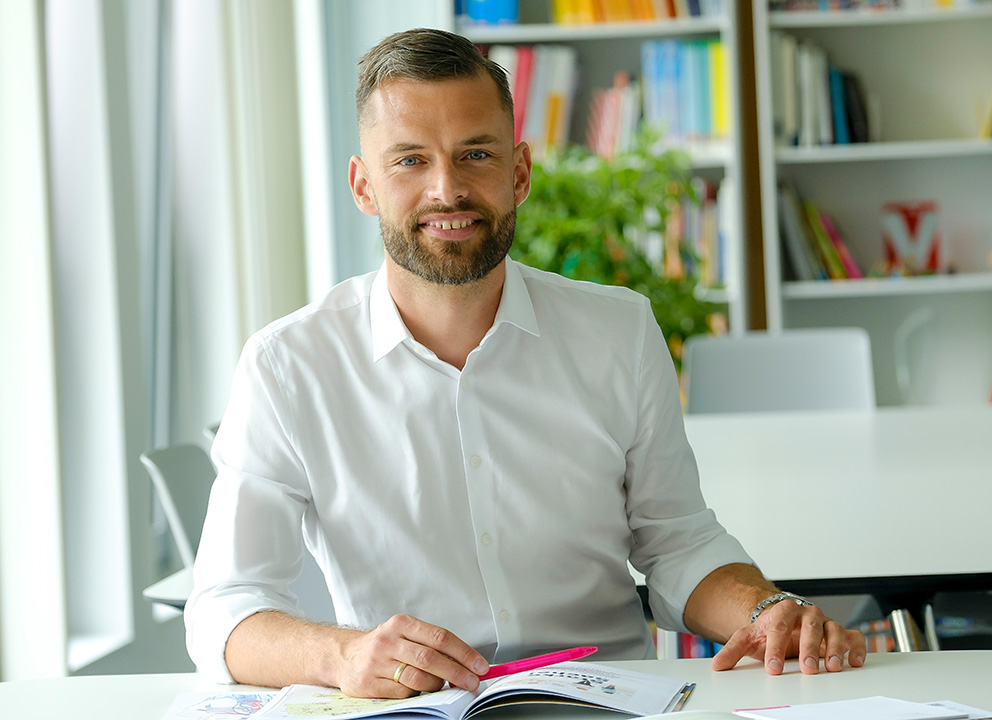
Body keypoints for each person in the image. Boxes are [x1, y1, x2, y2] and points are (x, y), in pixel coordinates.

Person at [185, 27, 865, 699]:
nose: (446, 189)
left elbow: (677, 545)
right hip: (412, 712)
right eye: (410, 161)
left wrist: (764, 612)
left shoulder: (618, 332)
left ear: (519, 172)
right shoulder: (288, 367)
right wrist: (344, 655)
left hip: (610, 703)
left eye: (474, 154)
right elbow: (223, 609)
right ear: (364, 187)